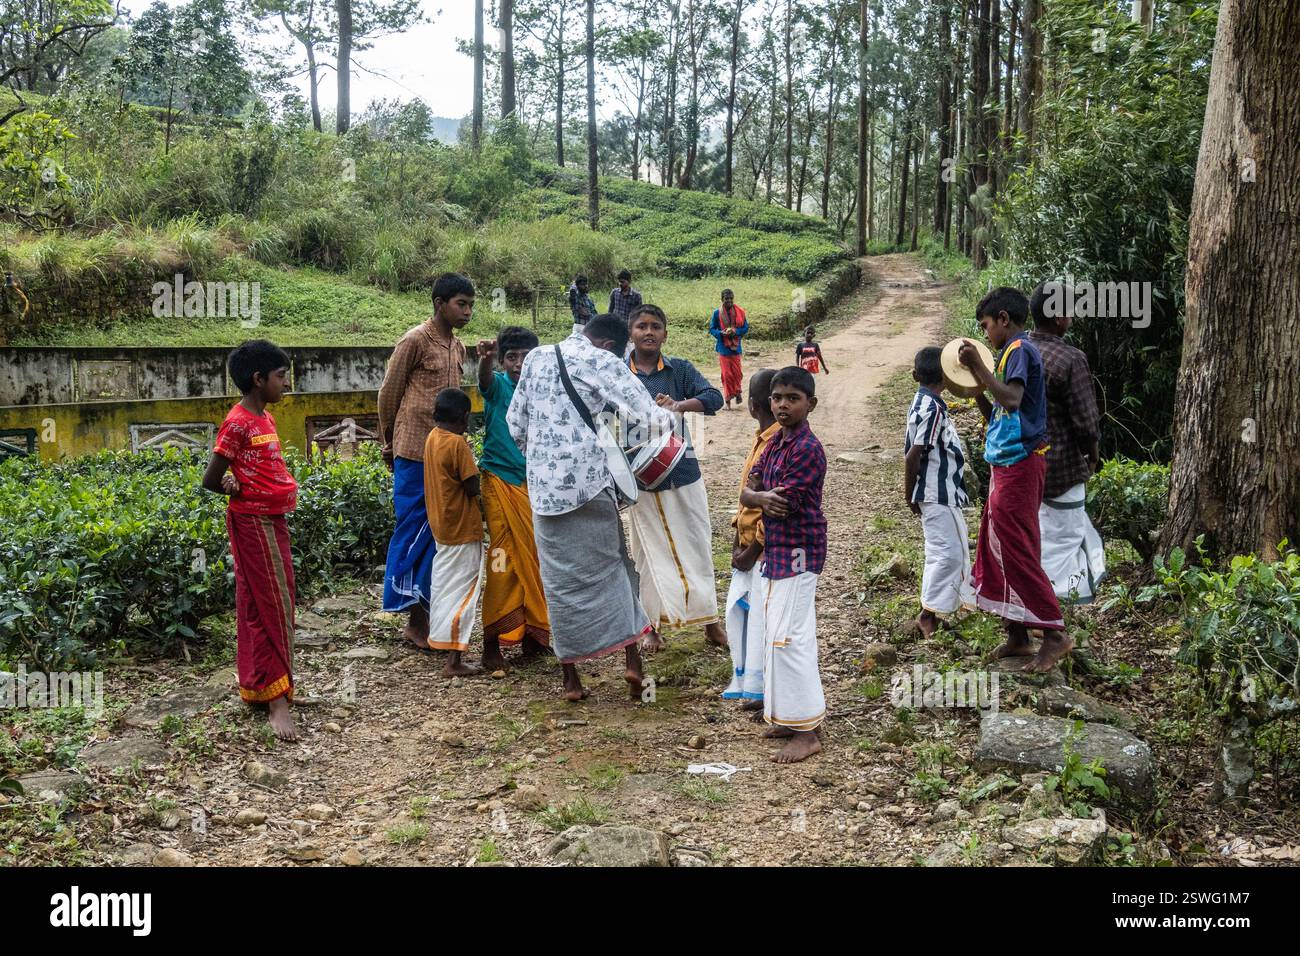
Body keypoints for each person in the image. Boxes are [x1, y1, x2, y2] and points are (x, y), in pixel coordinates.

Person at [506, 314, 675, 702]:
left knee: (559, 582)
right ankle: (632, 662)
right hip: (589, 485)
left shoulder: (535, 358)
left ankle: (572, 682)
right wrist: (673, 413)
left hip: (546, 495)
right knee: (613, 567)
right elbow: (649, 419)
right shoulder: (603, 361)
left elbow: (515, 425)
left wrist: (543, 463)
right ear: (611, 345)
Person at [958, 286, 1070, 673]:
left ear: (1003, 320)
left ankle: (1053, 633)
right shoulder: (1010, 355)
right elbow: (998, 413)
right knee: (996, 545)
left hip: (1021, 465)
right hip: (1006, 464)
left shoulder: (1020, 350)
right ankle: (1017, 634)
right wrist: (974, 388)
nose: (985, 333)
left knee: (1017, 547)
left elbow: (1011, 400)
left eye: (986, 325)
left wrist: (978, 368)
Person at [201, 340, 300, 741]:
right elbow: (211, 479)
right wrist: (231, 486)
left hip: (272, 521)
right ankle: (277, 702)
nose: (287, 384)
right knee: (271, 603)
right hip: (252, 523)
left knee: (271, 601)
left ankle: (270, 686)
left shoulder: (266, 420)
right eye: (281, 376)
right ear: (258, 379)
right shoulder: (238, 422)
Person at [377, 272, 473, 648]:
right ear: (439, 304)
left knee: (441, 533)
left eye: (470, 305)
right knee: (416, 529)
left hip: (446, 457)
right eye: (460, 304)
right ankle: (414, 618)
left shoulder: (459, 347)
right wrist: (388, 441)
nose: (466, 311)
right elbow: (389, 394)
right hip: (414, 451)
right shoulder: (414, 341)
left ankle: (434, 615)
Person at [624, 304, 726, 651]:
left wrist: (680, 406)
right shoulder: (620, 373)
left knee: (696, 545)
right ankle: (652, 625)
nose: (648, 332)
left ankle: (710, 621)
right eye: (641, 326)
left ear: (665, 334)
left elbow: (716, 398)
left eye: (655, 326)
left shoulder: (679, 369)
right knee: (648, 554)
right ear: (631, 333)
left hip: (683, 471)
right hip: (639, 478)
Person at [740, 366, 827, 763]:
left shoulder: (807, 448)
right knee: (775, 633)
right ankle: (790, 716)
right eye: (777, 398)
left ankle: (808, 731)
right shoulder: (776, 443)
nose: (782, 405)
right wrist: (756, 495)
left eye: (792, 398)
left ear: (810, 403)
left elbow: (782, 502)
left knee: (790, 637)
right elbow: (752, 488)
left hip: (799, 552)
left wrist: (756, 496)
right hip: (777, 552)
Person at [476, 326, 550, 666]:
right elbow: (485, 382)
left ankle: (535, 636)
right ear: (502, 360)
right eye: (511, 358)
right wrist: (485, 361)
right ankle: (492, 641)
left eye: (525, 357)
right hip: (499, 481)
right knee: (502, 558)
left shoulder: (543, 391)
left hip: (532, 484)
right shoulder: (499, 386)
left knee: (534, 557)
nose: (519, 364)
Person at [1028, 281, 1106, 604]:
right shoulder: (1070, 359)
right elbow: (1086, 421)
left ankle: (1032, 596)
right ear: (1059, 316)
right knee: (1065, 538)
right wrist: (1093, 456)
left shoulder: (1016, 351)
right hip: (1062, 469)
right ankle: (1056, 603)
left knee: (1039, 533)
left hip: (1027, 467)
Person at [904, 347, 975, 638]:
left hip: (939, 492)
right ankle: (928, 613)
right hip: (936, 491)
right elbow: (914, 455)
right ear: (947, 375)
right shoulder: (932, 409)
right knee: (949, 553)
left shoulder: (924, 402)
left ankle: (948, 606)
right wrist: (910, 494)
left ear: (915, 375)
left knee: (947, 549)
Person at [722, 368, 779, 709]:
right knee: (745, 616)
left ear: (753, 406)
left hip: (762, 551)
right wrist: (736, 538)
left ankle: (760, 687)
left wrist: (753, 548)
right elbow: (746, 499)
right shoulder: (761, 440)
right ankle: (749, 681)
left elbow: (770, 508)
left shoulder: (774, 446)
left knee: (760, 619)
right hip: (747, 545)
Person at [422, 387, 486, 676]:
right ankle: (454, 661)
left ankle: (441, 641)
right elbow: (472, 486)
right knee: (464, 592)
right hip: (462, 527)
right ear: (464, 417)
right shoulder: (457, 444)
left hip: (441, 526)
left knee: (445, 588)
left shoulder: (432, 438)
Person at [709, 289, 749, 409]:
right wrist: (721, 333)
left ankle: (737, 392)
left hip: (736, 348)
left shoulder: (740, 312)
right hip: (723, 347)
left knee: (737, 374)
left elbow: (745, 328)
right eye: (726, 299)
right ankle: (727, 401)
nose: (729, 301)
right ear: (722, 300)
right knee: (726, 375)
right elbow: (712, 329)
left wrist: (735, 331)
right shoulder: (717, 313)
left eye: (731, 298)